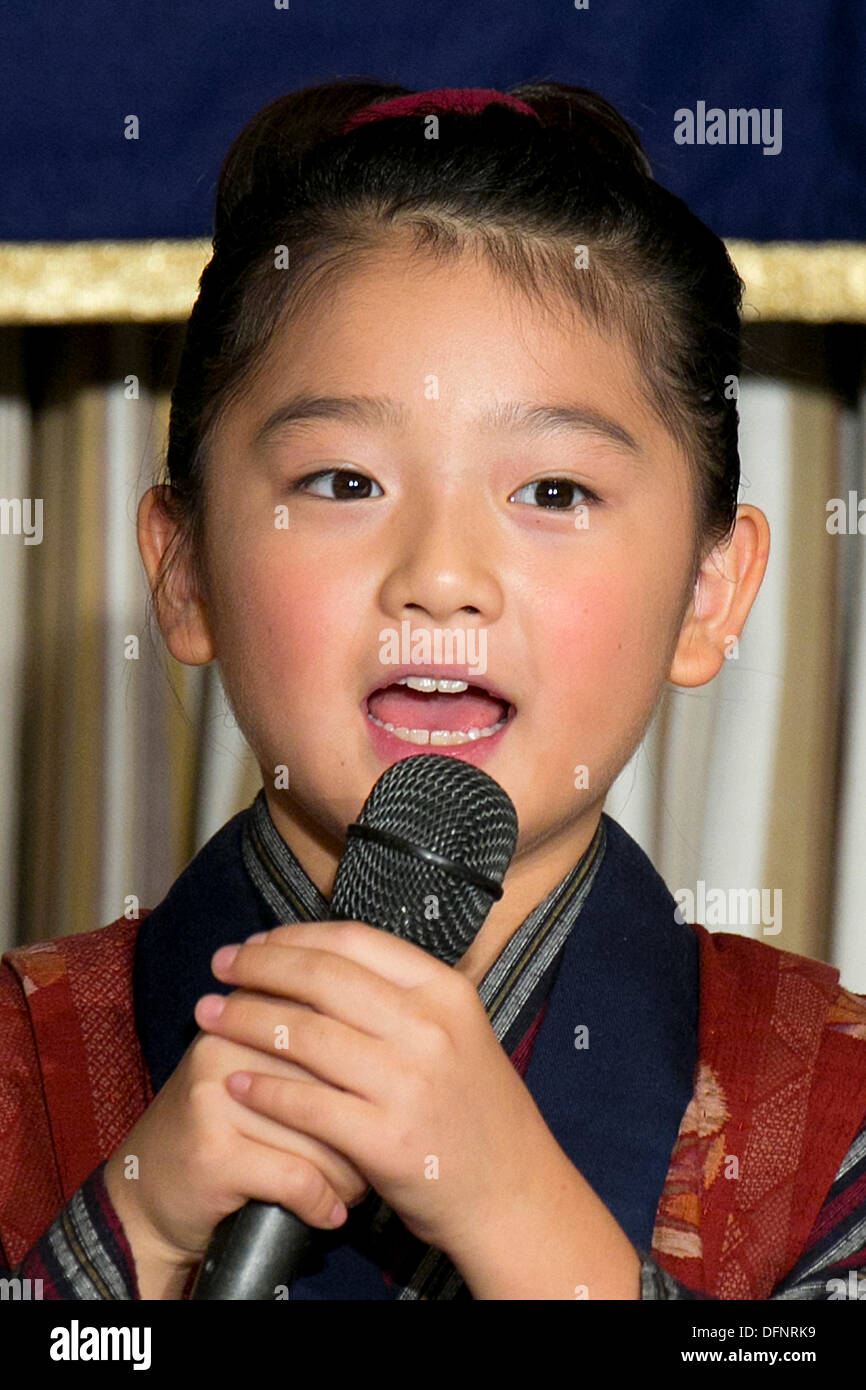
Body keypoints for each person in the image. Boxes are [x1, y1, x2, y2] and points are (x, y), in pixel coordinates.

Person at [2, 80, 865, 1303]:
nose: (442, 578)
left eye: (553, 492)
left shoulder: (834, 1109)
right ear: (183, 569)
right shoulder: (17, 1066)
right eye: (344, 482)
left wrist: (517, 1210)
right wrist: (131, 1228)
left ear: (707, 592)